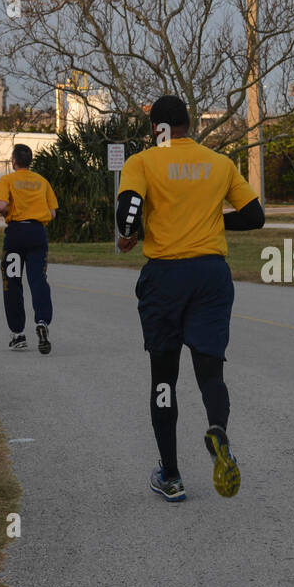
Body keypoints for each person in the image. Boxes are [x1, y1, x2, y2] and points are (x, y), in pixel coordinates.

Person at [115, 95, 264, 502]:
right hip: (212, 277)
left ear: (156, 128)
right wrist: (215, 220)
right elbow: (254, 216)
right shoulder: (219, 163)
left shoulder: (142, 162)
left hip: (166, 278)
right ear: (190, 123)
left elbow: (128, 209)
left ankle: (172, 474)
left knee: (164, 378)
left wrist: (129, 234)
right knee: (210, 372)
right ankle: (218, 429)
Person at [0, 143, 58, 354]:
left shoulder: (7, 180)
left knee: (12, 282)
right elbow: (53, 213)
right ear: (30, 161)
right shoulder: (42, 181)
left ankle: (18, 333)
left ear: (13, 161)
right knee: (38, 280)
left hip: (16, 234)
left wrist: (8, 214)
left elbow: (1, 205)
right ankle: (42, 321)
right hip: (38, 234)